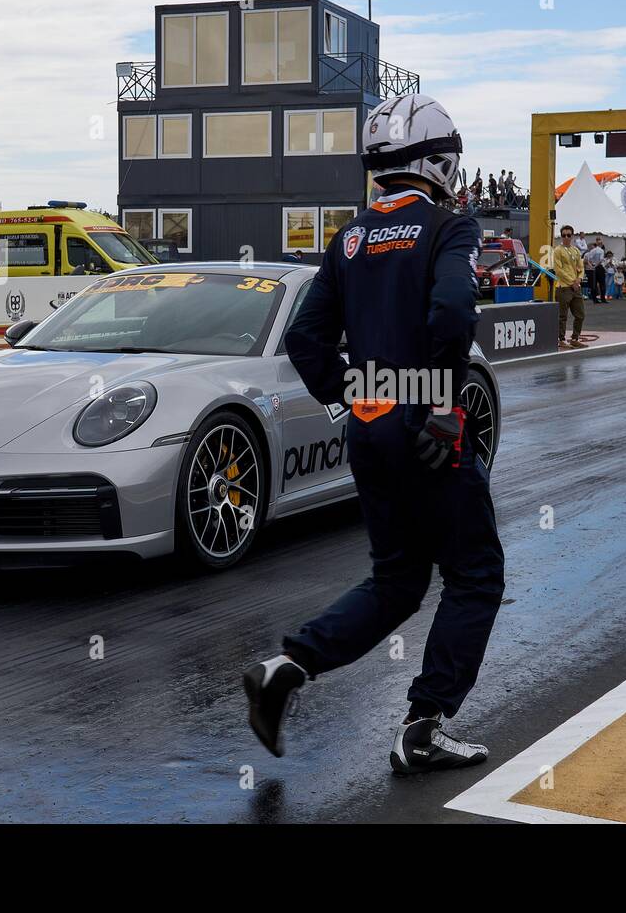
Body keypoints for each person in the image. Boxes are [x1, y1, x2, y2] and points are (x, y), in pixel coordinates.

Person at [244, 92, 506, 775]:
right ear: (440, 159)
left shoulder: (350, 238)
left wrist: (357, 398)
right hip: (429, 428)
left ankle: (288, 664)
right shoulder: (450, 224)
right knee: (475, 576)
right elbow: (452, 311)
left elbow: (306, 339)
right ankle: (424, 725)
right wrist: (445, 404)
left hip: (369, 429)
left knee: (397, 580)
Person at [553, 225, 586, 347]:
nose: (566, 237)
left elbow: (581, 268)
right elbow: (558, 270)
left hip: (576, 287)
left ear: (572, 236)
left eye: (568, 235)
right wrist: (573, 281)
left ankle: (575, 338)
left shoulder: (576, 250)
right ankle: (561, 339)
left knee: (580, 314)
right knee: (562, 316)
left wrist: (579, 279)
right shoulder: (558, 250)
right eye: (563, 235)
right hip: (563, 287)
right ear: (561, 236)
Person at [583, 237, 607, 303]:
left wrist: (591, 266)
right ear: (601, 244)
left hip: (592, 268)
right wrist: (596, 265)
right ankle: (603, 298)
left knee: (594, 284)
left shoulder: (592, 251)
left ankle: (595, 299)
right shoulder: (601, 251)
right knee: (602, 283)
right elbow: (601, 259)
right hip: (599, 267)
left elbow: (588, 259)